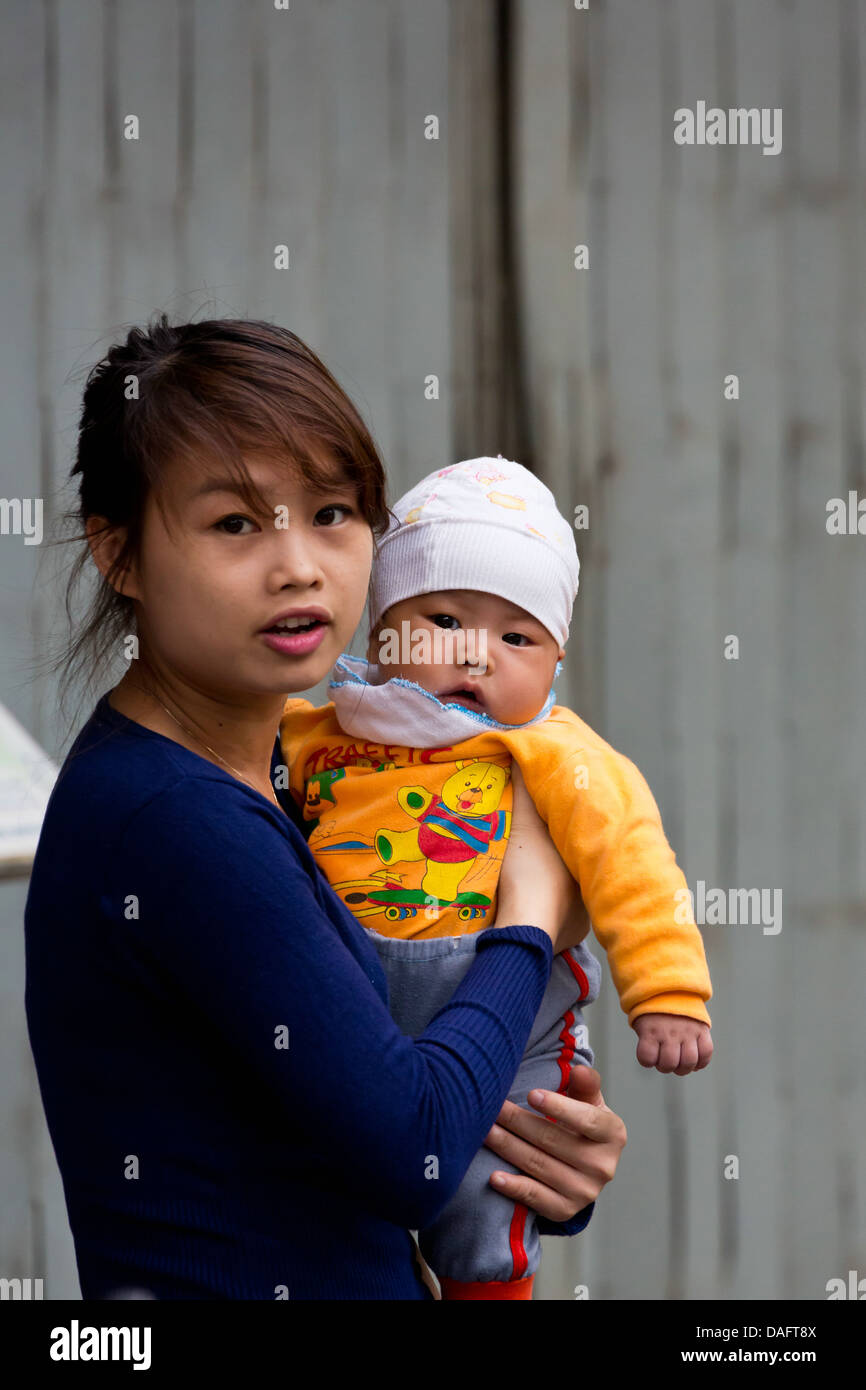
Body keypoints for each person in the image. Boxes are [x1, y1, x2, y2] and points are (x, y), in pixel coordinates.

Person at [24, 315, 626, 1301]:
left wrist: (533, 1162)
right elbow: (409, 1150)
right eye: (234, 523)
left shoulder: (285, 772)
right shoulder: (173, 822)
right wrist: (526, 915)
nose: (298, 563)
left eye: (332, 511)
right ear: (120, 555)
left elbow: (373, 1103)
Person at [279, 455, 714, 1298]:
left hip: (509, 1039)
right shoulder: (313, 731)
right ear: (382, 631)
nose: (477, 656)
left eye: (518, 638)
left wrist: (666, 992)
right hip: (352, 1022)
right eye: (443, 619)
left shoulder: (557, 752)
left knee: (491, 1195)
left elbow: (632, 860)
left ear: (555, 662)